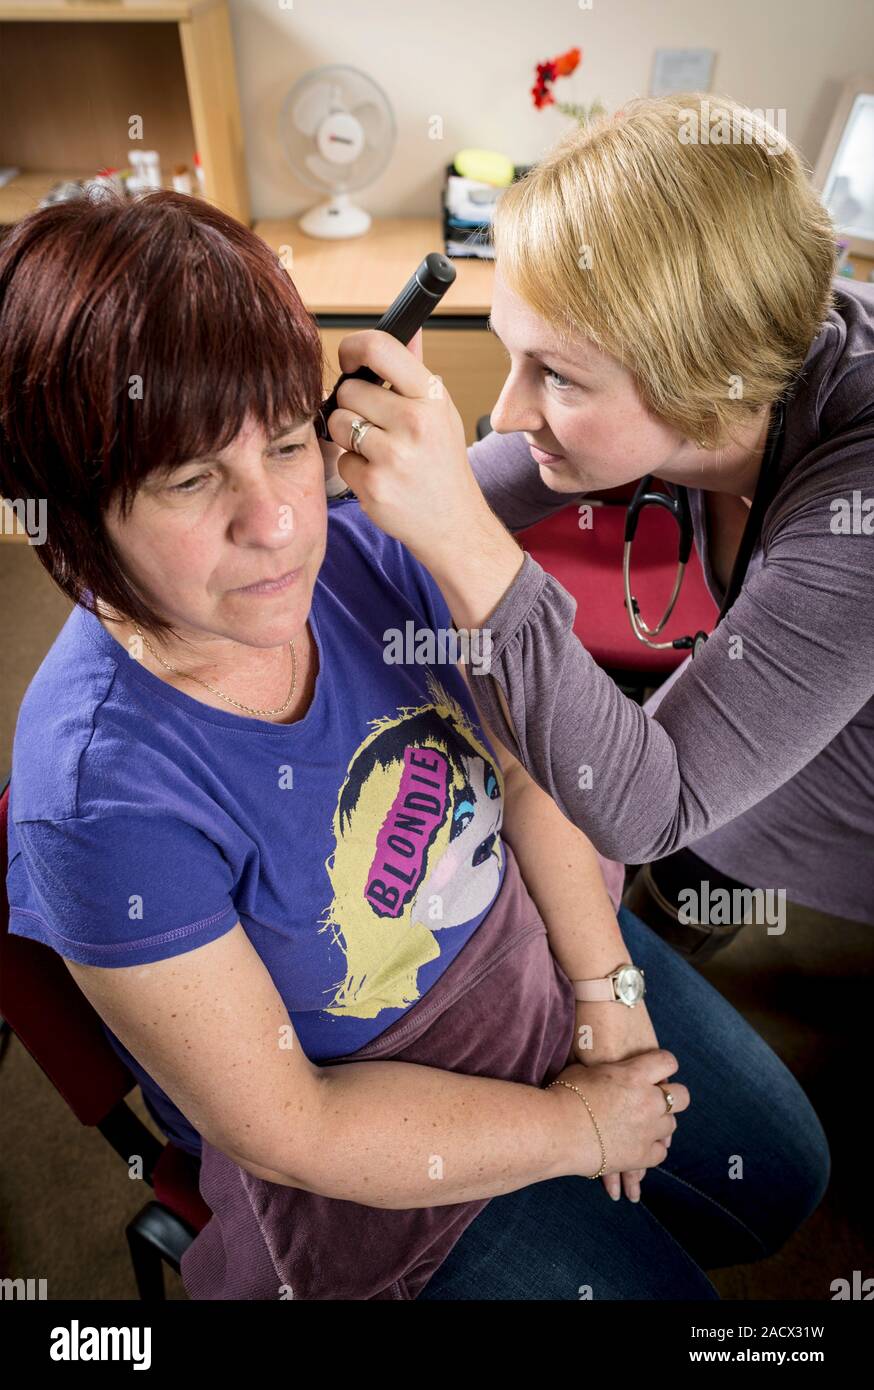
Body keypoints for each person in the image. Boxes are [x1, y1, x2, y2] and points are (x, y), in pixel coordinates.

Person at [0, 188, 828, 1300]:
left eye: (289, 444)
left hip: (528, 955)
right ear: (67, 514)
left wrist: (605, 984)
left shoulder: (363, 542)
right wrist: (576, 1129)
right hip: (372, 1121)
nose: (282, 525)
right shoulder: (99, 797)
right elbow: (295, 1126)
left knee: (785, 1177)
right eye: (194, 479)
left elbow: (536, 763)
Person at [320, 90, 874, 962]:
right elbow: (465, 493)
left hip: (856, 786)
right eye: (513, 353)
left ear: (710, 373)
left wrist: (468, 547)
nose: (504, 414)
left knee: (701, 838)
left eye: (560, 378)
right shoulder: (753, 320)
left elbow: (650, 807)